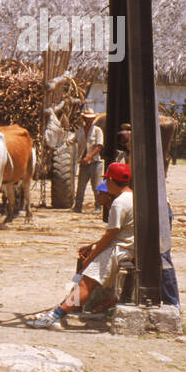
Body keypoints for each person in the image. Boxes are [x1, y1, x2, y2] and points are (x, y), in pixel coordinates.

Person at [28, 162, 133, 329]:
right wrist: (93, 246)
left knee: (85, 285)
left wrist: (90, 259)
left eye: (107, 181)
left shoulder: (119, 203)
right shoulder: (132, 198)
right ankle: (62, 307)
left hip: (118, 249)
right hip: (124, 246)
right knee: (83, 281)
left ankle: (55, 316)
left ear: (112, 181)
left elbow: (110, 235)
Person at [73, 109, 104, 212]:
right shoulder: (79, 132)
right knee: (81, 186)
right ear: (84, 119)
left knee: (97, 186)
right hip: (84, 163)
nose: (89, 120)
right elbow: (71, 141)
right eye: (88, 118)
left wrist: (89, 156)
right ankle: (78, 207)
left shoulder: (97, 130)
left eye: (91, 119)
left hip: (95, 163)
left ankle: (98, 206)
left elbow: (99, 146)